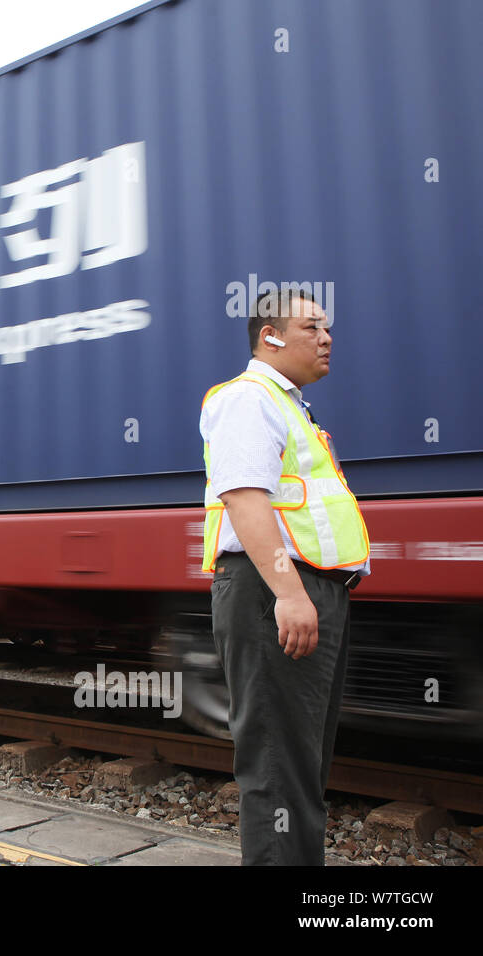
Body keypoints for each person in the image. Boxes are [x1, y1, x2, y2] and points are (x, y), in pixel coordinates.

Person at [199, 288, 370, 866]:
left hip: (301, 588)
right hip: (273, 589)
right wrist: (291, 595)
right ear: (270, 336)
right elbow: (246, 500)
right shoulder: (250, 399)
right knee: (279, 766)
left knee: (299, 765)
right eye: (311, 327)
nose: (326, 338)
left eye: (328, 328)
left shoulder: (290, 405)